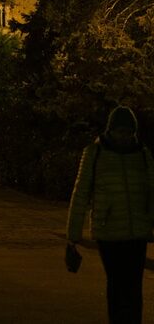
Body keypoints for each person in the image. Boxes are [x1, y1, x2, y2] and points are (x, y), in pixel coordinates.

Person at [66, 106, 154, 324]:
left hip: (137, 232)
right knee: (117, 285)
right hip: (109, 232)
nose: (124, 136)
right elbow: (81, 194)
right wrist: (72, 237)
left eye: (129, 132)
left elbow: (152, 192)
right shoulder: (94, 154)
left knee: (133, 287)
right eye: (120, 131)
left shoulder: (143, 154)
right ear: (110, 130)